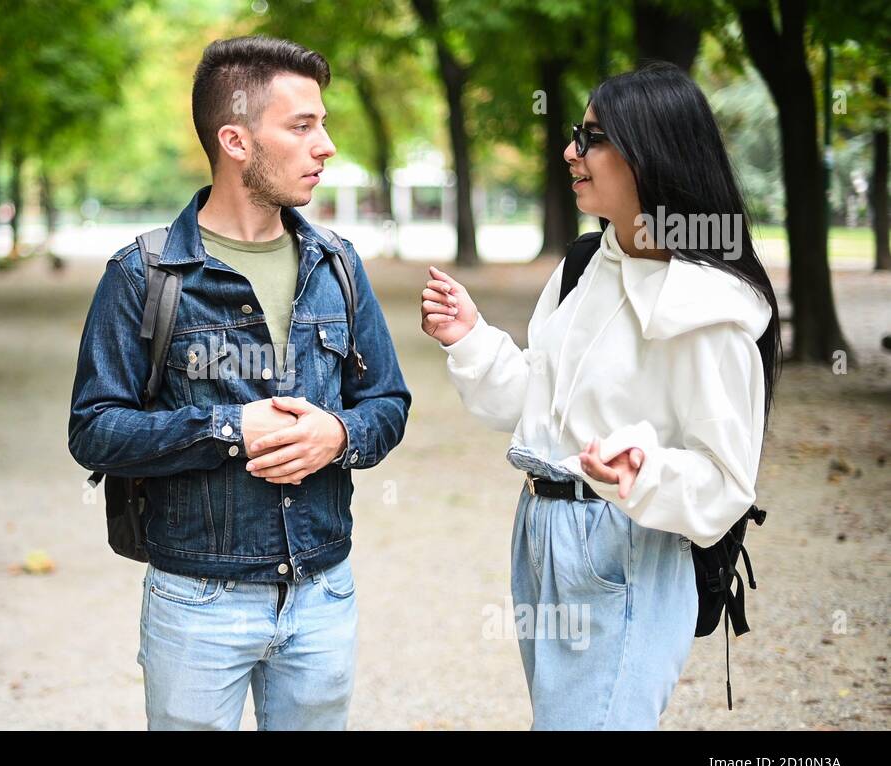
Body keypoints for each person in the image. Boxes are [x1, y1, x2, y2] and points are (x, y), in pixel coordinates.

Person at [422, 62, 782, 729]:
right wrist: (471, 337)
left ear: (649, 153)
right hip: (540, 532)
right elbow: (535, 405)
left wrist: (645, 470)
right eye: (573, 134)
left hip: (626, 549)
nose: (569, 152)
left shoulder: (707, 307)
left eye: (591, 137)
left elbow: (725, 480)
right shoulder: (586, 263)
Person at [69, 36, 411, 730]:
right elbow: (95, 429)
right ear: (236, 140)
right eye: (302, 125)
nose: (327, 146)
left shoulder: (337, 264)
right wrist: (227, 431)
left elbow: (389, 403)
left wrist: (339, 432)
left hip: (323, 595)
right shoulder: (143, 276)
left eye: (323, 123)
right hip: (197, 602)